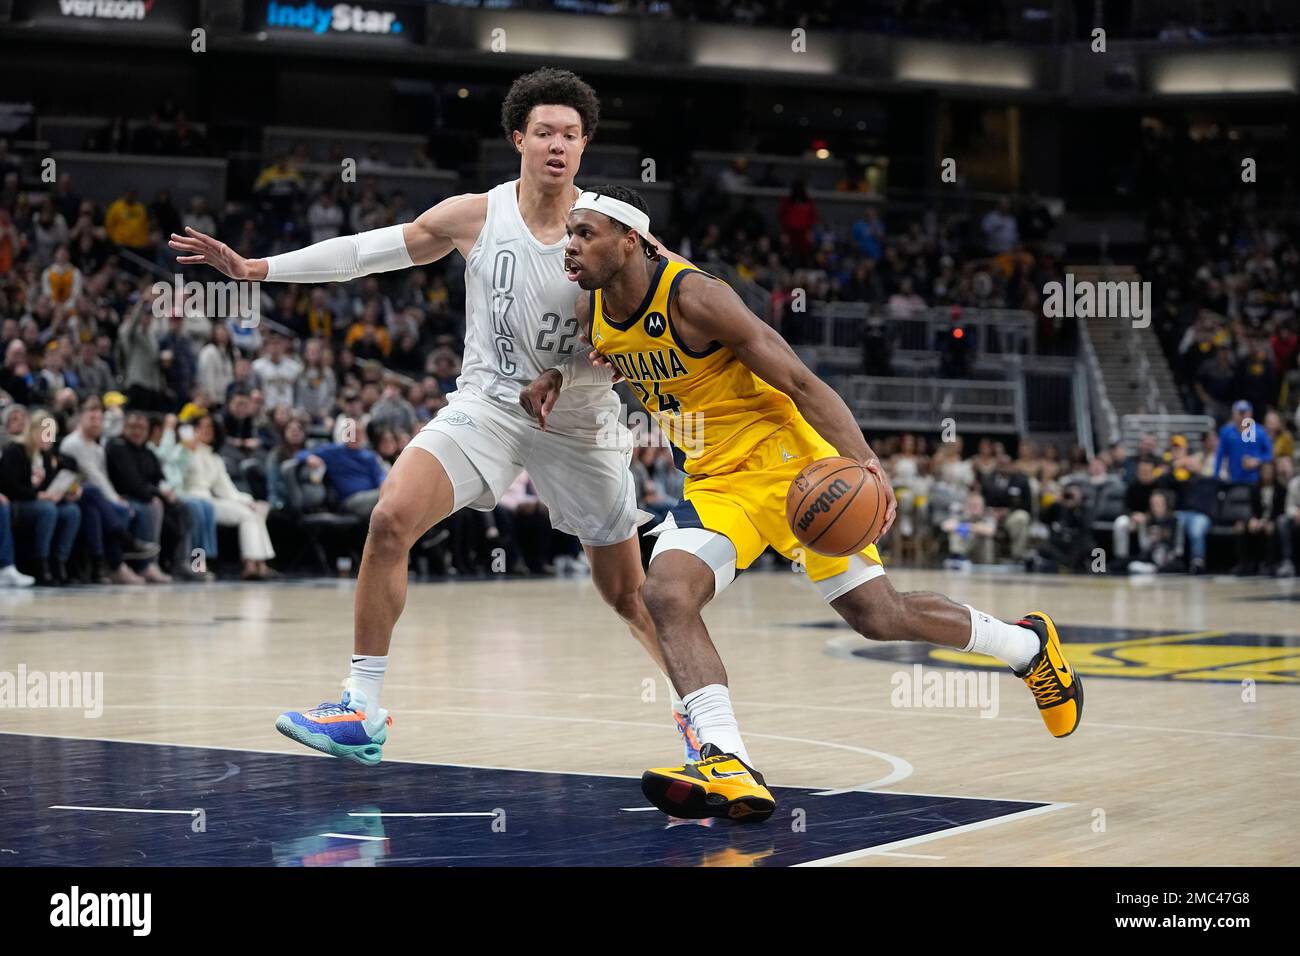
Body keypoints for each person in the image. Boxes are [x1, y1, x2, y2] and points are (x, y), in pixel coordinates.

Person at [520, 184, 1082, 822]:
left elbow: (799, 379)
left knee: (878, 616)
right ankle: (727, 761)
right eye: (569, 232)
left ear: (631, 241)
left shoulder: (697, 298)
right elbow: (610, 358)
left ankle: (1026, 647)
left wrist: (867, 463)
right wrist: (558, 375)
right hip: (716, 483)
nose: (570, 246)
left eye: (585, 233)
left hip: (794, 471)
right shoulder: (592, 307)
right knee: (667, 595)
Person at [171, 69, 674, 766]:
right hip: (488, 406)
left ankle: (700, 718)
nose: (557, 145)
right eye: (544, 132)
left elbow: (655, 326)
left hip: (581, 425)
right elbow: (363, 253)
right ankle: (360, 707)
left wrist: (584, 370)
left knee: (626, 594)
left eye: (570, 134)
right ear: (519, 139)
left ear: (585, 145)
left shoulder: (614, 231)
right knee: (389, 519)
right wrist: (258, 269)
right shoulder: (474, 216)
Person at [182, 413, 276, 580]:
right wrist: (188, 444)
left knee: (253, 511)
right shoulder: (183, 451)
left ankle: (256, 564)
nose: (205, 430)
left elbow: (226, 490)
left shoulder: (215, 458)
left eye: (210, 427)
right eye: (200, 426)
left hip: (208, 501)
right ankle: (198, 565)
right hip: (189, 498)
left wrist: (249, 501)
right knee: (201, 512)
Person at [0, 410, 81, 585]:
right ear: (33, 430)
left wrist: (64, 493)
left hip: (37, 503)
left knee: (71, 511)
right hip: (18, 503)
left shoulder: (45, 456)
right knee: (47, 510)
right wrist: (37, 495)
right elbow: (9, 486)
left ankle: (59, 561)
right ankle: (40, 563)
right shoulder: (16, 450)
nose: (49, 437)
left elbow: (49, 486)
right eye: (45, 432)